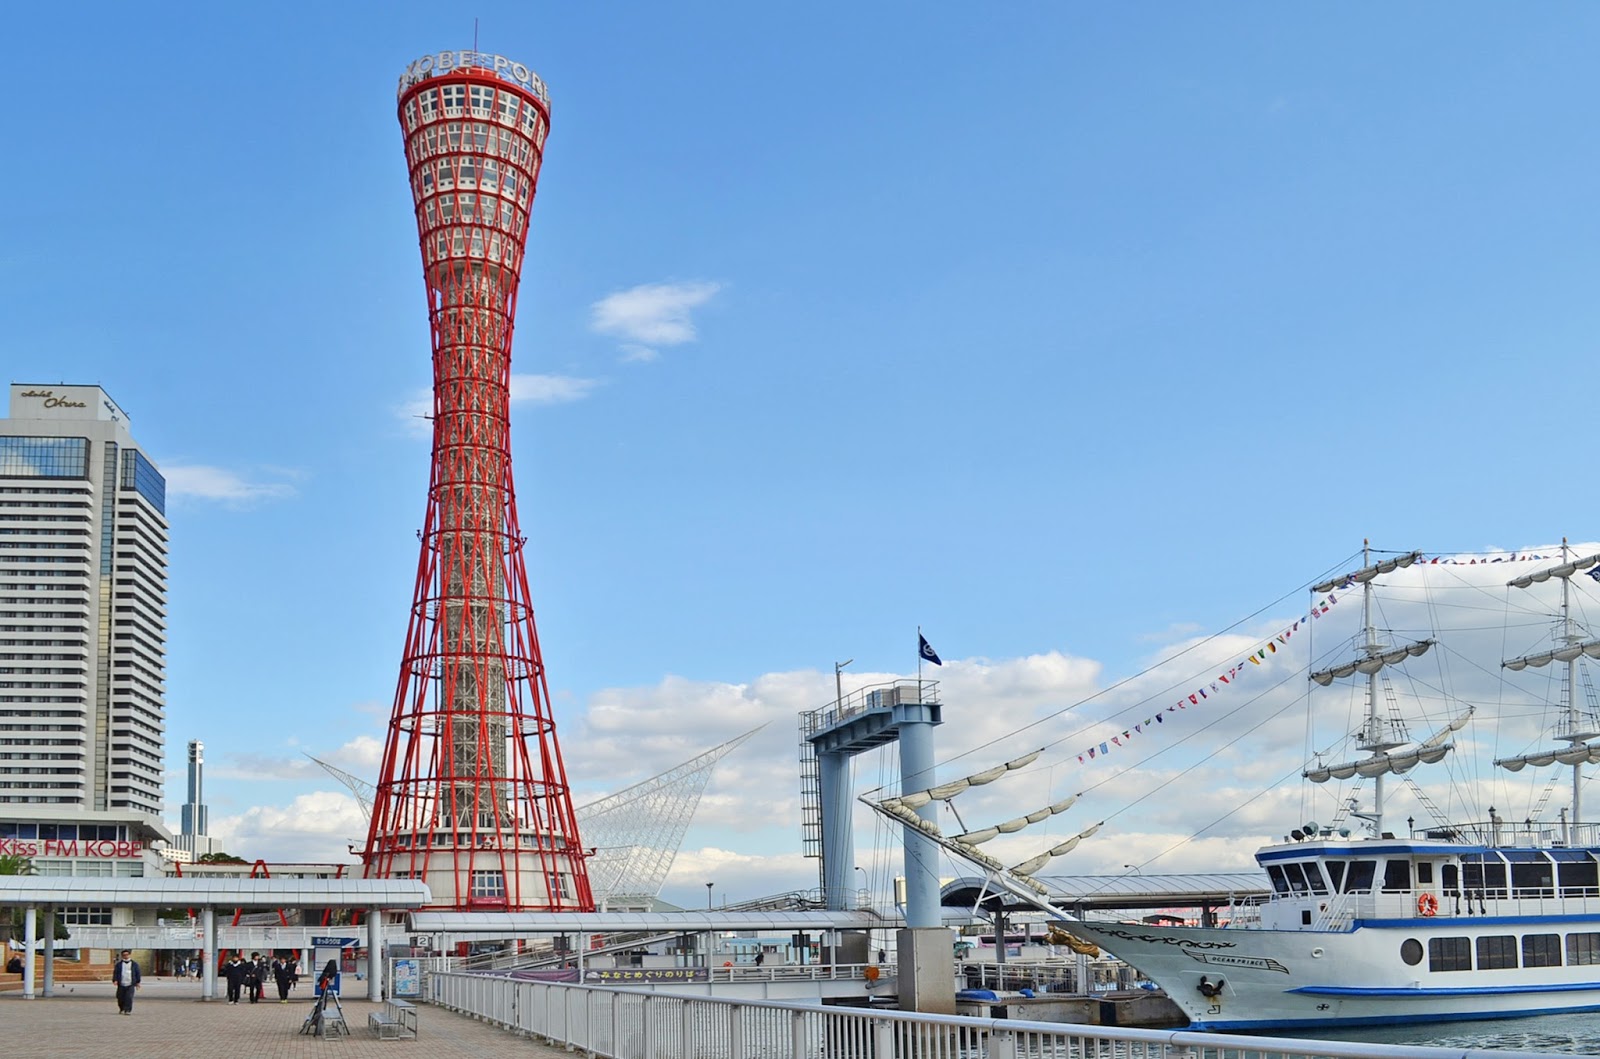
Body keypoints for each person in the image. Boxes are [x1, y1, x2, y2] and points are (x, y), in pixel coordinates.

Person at [113, 948, 142, 1015]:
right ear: (122, 956)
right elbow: (116, 973)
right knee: (120, 997)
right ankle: (122, 1008)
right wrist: (115, 980)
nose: (125, 956)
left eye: (127, 955)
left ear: (129, 955)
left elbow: (138, 973)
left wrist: (138, 982)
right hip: (121, 983)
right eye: (124, 955)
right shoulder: (119, 965)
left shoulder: (134, 964)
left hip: (130, 983)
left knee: (129, 997)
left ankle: (127, 1010)